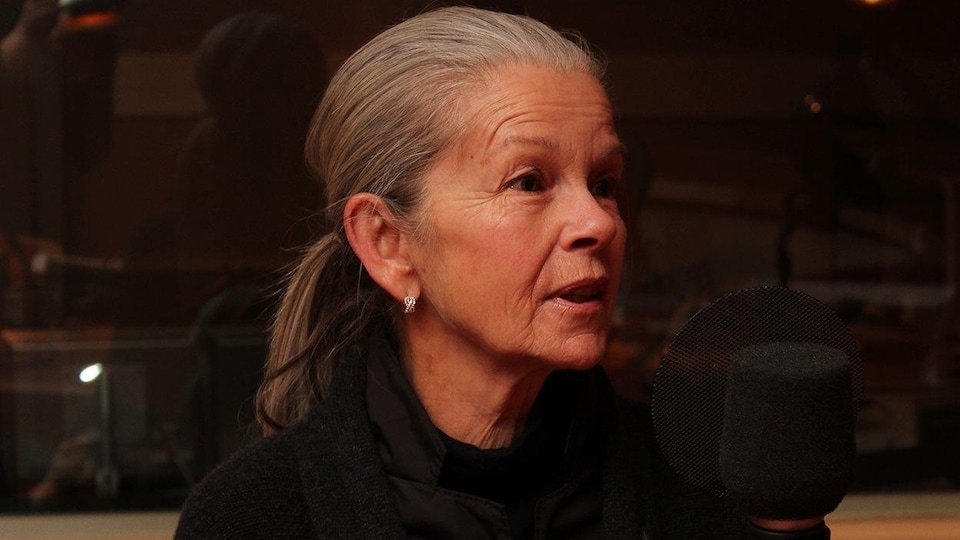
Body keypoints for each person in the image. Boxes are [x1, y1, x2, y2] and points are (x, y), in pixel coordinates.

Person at [175, 7, 828, 539]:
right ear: (388, 242)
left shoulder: (703, 492)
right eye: (529, 181)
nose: (597, 222)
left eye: (604, 182)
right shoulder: (252, 517)